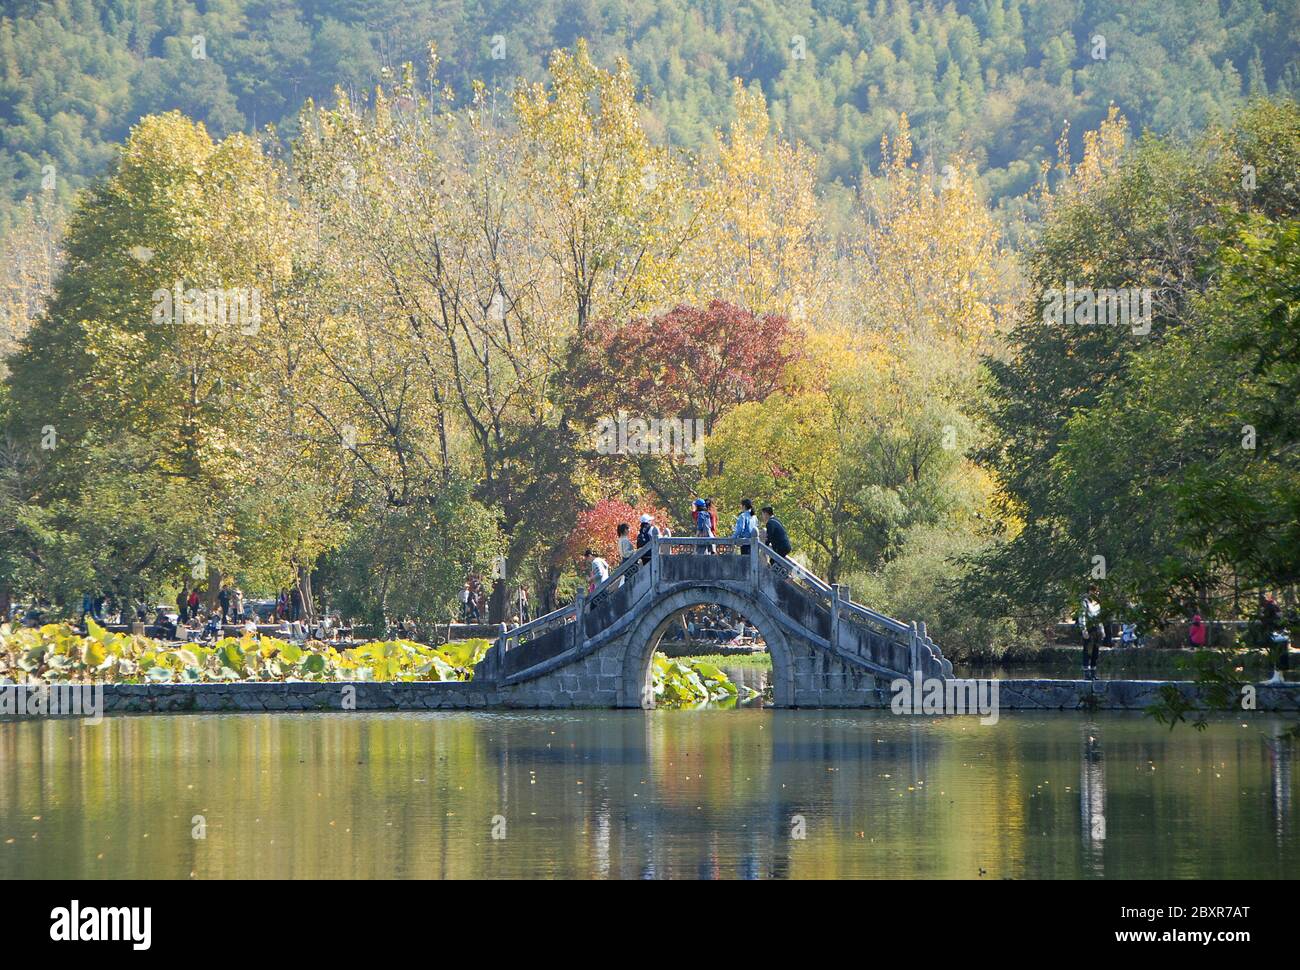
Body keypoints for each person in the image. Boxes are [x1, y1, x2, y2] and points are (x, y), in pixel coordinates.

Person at [1079, 586, 1103, 678]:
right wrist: (1084, 629)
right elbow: (1082, 616)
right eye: (1094, 592)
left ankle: (1093, 673)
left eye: (1097, 592)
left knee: (1095, 651)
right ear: (1089, 592)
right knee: (1087, 651)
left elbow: (1099, 618)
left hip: (1096, 629)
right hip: (1088, 628)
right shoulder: (1084, 602)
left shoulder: (1097, 603)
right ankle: (1086, 673)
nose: (1096, 593)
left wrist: (1102, 630)